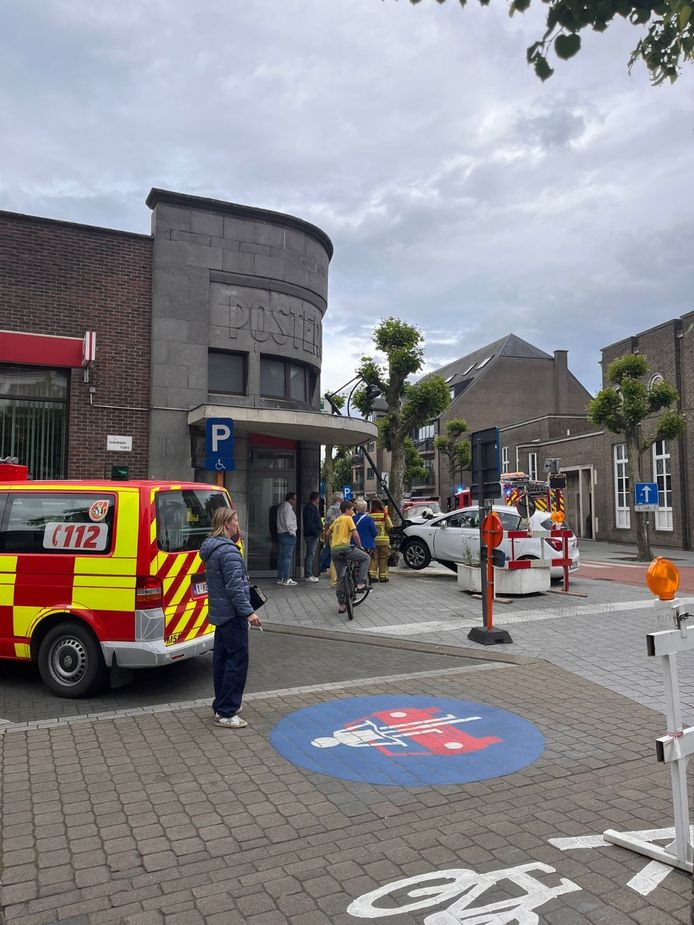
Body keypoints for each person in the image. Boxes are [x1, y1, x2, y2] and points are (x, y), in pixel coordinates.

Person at [200, 507, 261, 729]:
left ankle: (222, 704)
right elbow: (236, 587)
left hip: (220, 614)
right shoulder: (229, 552)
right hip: (233, 616)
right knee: (236, 663)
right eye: (235, 521)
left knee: (221, 662)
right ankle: (227, 712)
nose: (237, 524)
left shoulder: (212, 549)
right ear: (226, 524)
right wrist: (249, 612)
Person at [327, 499, 370, 614]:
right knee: (366, 558)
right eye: (352, 509)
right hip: (345, 548)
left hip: (334, 550)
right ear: (347, 510)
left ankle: (341, 605)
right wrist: (360, 546)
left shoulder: (336, 520)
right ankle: (361, 583)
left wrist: (332, 541)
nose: (353, 511)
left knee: (340, 578)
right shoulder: (348, 518)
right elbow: (355, 534)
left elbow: (327, 533)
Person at [352, 498, 378, 580]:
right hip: (367, 545)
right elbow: (374, 532)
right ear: (365, 508)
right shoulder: (369, 519)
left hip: (354, 544)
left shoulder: (352, 519)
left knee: (356, 561)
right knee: (365, 561)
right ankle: (362, 580)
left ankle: (355, 576)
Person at [276, 492, 297, 586]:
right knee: (287, 557)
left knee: (281, 557)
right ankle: (286, 578)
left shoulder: (281, 507)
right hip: (288, 534)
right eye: (295, 499)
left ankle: (280, 578)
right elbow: (289, 523)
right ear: (291, 499)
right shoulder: (288, 508)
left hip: (280, 533)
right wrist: (293, 533)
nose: (295, 501)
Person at [322, 491, 344, 585]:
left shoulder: (330, 509)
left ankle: (334, 580)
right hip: (342, 535)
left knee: (333, 558)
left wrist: (326, 535)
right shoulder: (343, 509)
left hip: (332, 535)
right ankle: (341, 578)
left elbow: (326, 524)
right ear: (340, 499)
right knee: (343, 557)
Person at [370, 498, 393, 582]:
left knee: (374, 558)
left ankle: (372, 576)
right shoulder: (384, 515)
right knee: (383, 559)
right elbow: (390, 526)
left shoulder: (370, 516)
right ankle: (383, 577)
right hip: (384, 541)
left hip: (373, 541)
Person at [302, 491, 322, 582]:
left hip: (311, 534)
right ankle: (308, 575)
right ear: (316, 499)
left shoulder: (310, 508)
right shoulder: (310, 508)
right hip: (311, 535)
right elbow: (309, 522)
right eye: (318, 499)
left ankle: (309, 574)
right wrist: (316, 532)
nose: (319, 500)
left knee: (310, 554)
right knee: (310, 555)